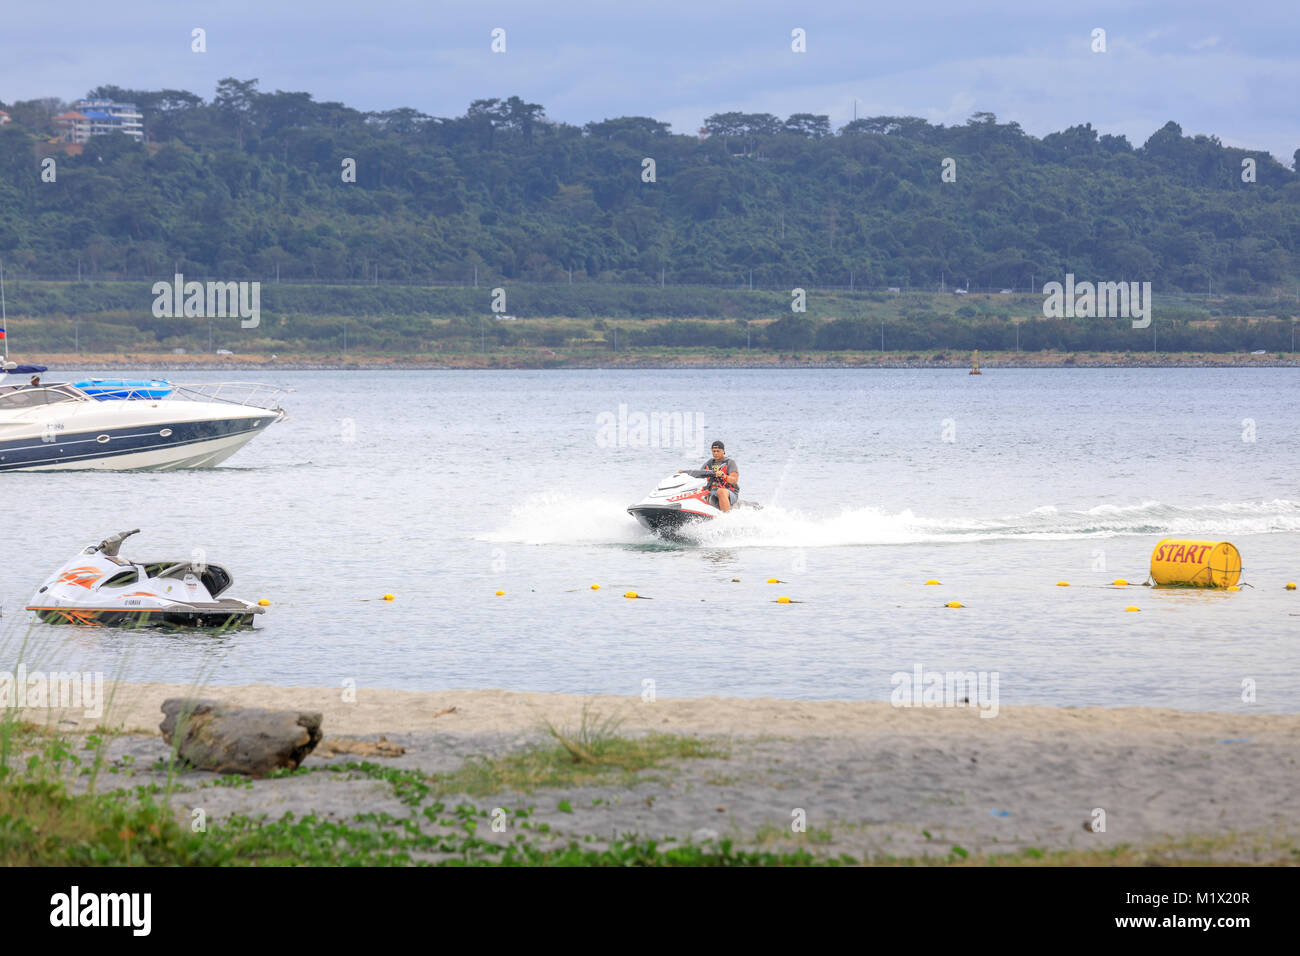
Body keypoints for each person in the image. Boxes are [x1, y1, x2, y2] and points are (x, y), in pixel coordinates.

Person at [680, 440, 740, 512]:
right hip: (712, 491)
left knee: (721, 491)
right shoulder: (708, 463)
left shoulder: (730, 463)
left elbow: (734, 480)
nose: (715, 453)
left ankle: (726, 518)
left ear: (723, 451)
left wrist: (724, 476)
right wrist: (684, 472)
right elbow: (699, 474)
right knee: (695, 492)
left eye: (718, 451)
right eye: (714, 451)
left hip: (729, 492)